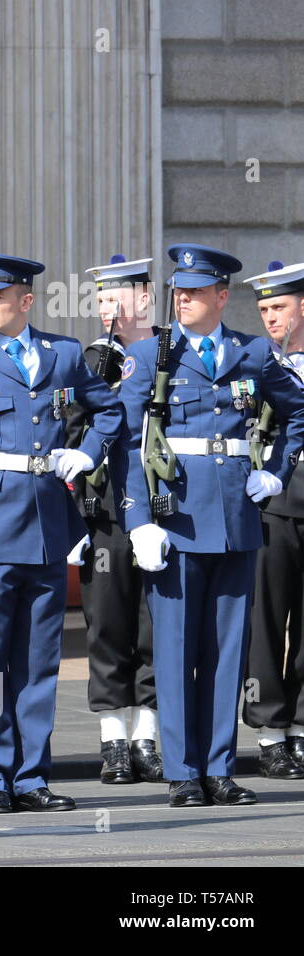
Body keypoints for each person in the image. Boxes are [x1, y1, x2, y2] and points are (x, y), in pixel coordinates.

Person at [0, 251, 123, 814]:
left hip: (46, 528)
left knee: (38, 661)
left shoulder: (61, 355)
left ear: (25, 302)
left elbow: (108, 412)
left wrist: (84, 456)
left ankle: (31, 774)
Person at [119, 243, 304, 807]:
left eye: (197, 292)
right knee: (174, 649)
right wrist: (138, 518)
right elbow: (127, 439)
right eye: (179, 291)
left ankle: (219, 767)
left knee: (228, 651)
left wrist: (275, 470)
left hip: (236, 518)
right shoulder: (154, 354)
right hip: (175, 518)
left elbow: (297, 408)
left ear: (223, 297)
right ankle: (182, 771)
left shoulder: (251, 353)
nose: (185, 299)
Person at [64, 255, 163, 785]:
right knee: (107, 626)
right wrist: (75, 522)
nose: (106, 309)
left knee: (155, 626)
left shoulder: (171, 350)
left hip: (165, 508)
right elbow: (71, 441)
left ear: (143, 299)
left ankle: (147, 734)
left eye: (115, 298)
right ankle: (114, 743)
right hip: (107, 513)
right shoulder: (90, 360)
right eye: (99, 299)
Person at [239, 260, 304, 778]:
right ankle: (269, 731)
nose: (269, 319)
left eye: (279, 307)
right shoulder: (256, 361)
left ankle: (301, 726)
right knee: (266, 618)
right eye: (263, 309)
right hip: (274, 503)